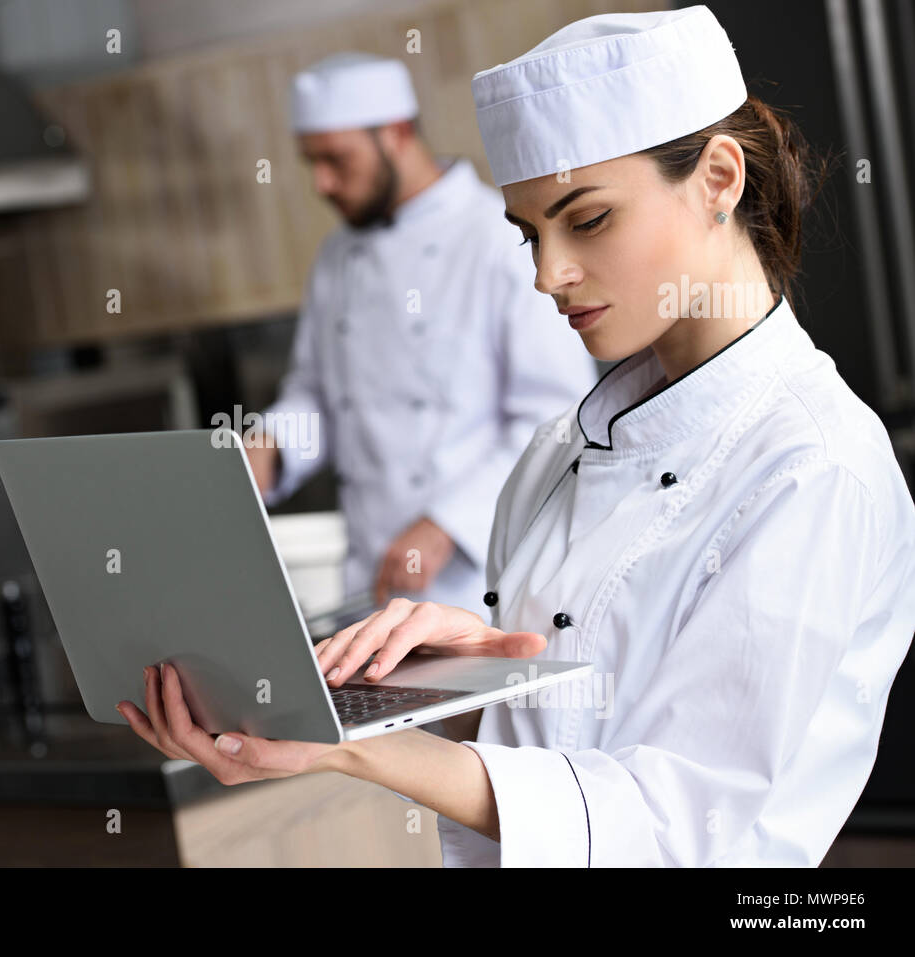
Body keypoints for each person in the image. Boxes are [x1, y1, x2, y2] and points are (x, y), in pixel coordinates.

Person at [119, 5, 915, 866]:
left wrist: (346, 744)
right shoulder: (552, 460)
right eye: (531, 232)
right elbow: (562, 748)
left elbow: (677, 825)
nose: (546, 274)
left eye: (589, 218)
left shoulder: (815, 469)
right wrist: (441, 686)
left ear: (719, 179)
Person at [246, 52, 596, 609]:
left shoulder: (495, 238)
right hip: (368, 581)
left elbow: (556, 415)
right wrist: (272, 446)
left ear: (398, 134)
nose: (321, 183)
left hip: (478, 581)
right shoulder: (336, 256)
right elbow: (320, 392)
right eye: (310, 162)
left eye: (336, 160)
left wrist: (445, 525)